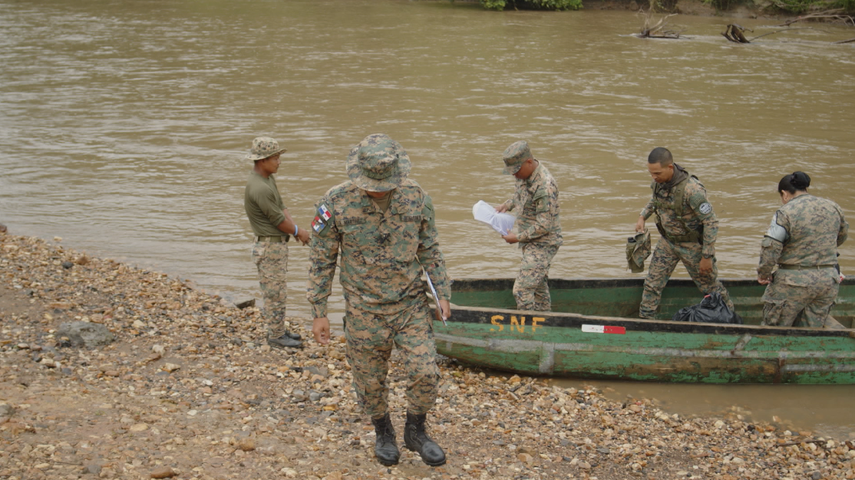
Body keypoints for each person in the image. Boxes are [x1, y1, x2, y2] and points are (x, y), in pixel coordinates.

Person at [307, 133, 450, 467]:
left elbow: (429, 248)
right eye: (373, 183)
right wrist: (319, 311)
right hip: (363, 308)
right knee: (370, 380)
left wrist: (442, 292)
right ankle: (383, 432)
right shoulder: (335, 202)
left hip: (409, 304)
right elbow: (321, 259)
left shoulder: (417, 198)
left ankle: (416, 430)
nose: (379, 188)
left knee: (425, 371)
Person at [634, 147, 734, 319]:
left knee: (710, 287)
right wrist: (643, 216)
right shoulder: (659, 183)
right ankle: (646, 320)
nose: (654, 177)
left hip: (692, 246)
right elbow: (655, 200)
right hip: (668, 242)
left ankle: (731, 318)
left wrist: (707, 256)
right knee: (652, 284)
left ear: (670, 168)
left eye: (657, 173)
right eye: (651, 173)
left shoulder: (692, 190)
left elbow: (710, 221)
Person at [757, 171, 848, 328]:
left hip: (793, 282)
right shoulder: (833, 207)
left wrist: (764, 274)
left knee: (774, 329)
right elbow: (841, 237)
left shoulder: (785, 212)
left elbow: (771, 247)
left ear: (784, 194)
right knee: (811, 331)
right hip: (828, 281)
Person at [244, 136, 310, 349]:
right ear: (262, 160)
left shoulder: (267, 179)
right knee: (274, 293)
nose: (279, 161)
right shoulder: (259, 187)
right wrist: (299, 231)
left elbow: (282, 207)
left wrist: (297, 230)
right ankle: (276, 336)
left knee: (279, 290)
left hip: (276, 244)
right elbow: (278, 220)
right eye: (275, 158)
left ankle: (279, 329)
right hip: (269, 246)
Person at [494, 140, 562, 311]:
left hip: (543, 243)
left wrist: (516, 238)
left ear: (529, 162)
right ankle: (545, 323)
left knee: (522, 290)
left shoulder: (545, 186)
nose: (514, 175)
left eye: (516, 171)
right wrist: (507, 205)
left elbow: (544, 225)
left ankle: (528, 330)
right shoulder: (525, 175)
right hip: (530, 242)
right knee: (538, 288)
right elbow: (522, 196)